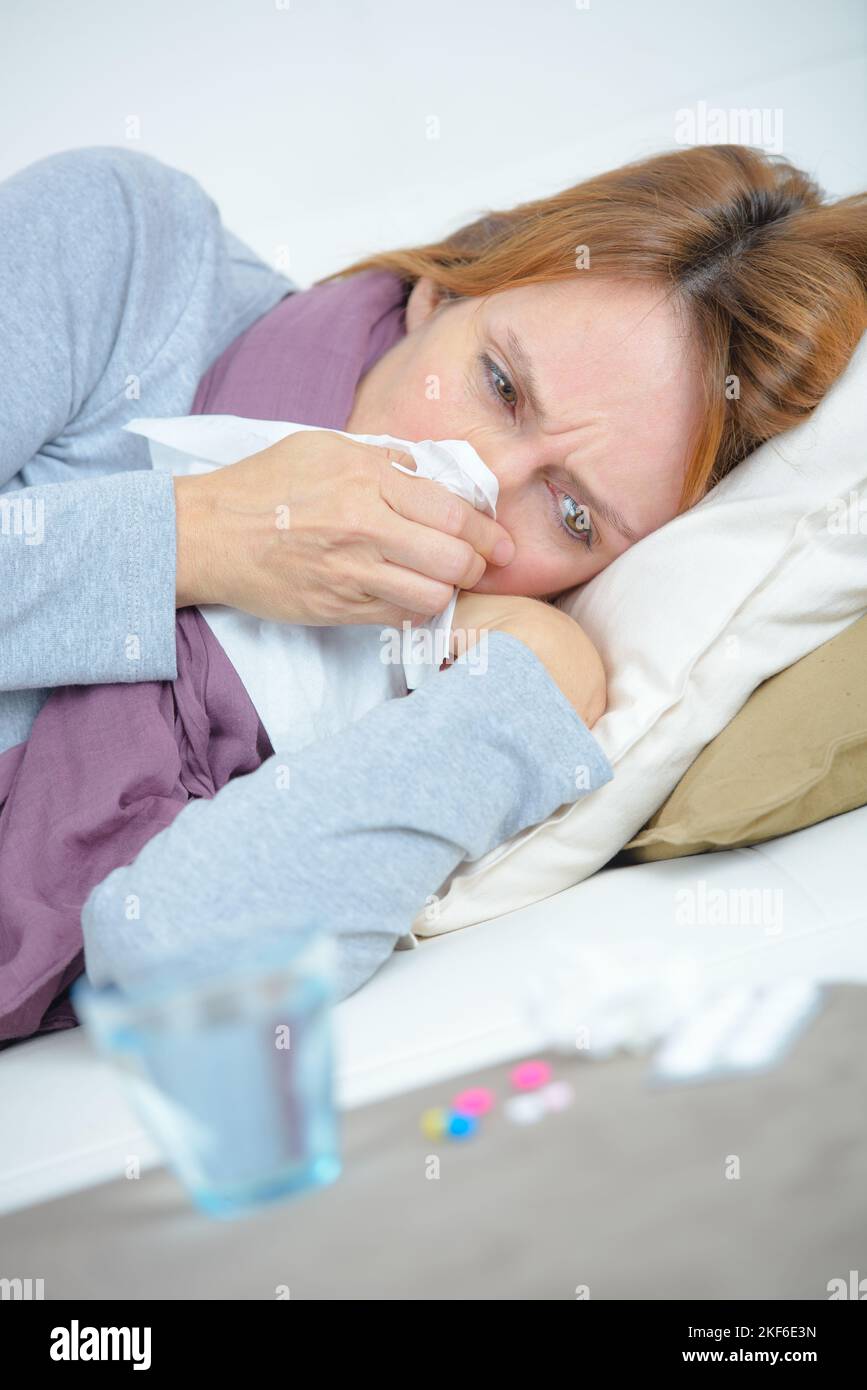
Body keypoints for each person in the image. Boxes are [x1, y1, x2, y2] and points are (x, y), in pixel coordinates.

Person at [1, 142, 864, 1028]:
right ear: (447, 287)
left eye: (571, 515)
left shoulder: (428, 695)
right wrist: (207, 535)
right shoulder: (132, 250)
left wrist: (520, 703)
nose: (474, 475)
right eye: (498, 385)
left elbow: (174, 960)